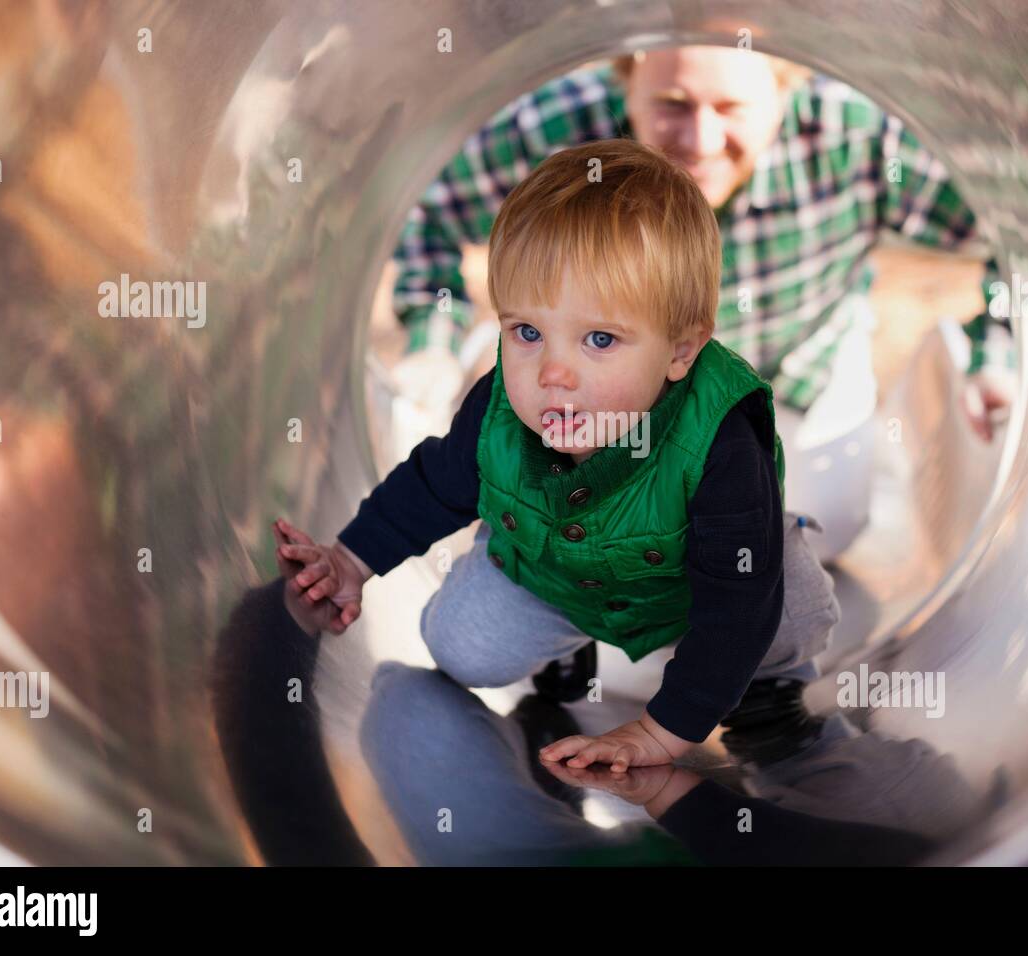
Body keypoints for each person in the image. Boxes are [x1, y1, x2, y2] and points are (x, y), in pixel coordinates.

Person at [275, 138, 842, 770]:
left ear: (681, 351)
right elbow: (434, 483)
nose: (553, 372)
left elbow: (737, 602)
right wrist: (351, 559)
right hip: (554, 569)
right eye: (527, 332)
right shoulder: (500, 405)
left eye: (599, 339)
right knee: (457, 648)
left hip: (703, 583)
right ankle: (566, 646)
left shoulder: (720, 441)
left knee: (789, 605)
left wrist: (663, 732)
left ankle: (766, 693)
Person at [384, 45, 1017, 562]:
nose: (701, 139)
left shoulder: (855, 138)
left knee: (815, 532)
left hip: (791, 367)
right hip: (606, 387)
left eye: (731, 107)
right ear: (627, 81)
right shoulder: (558, 129)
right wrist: (432, 341)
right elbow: (432, 209)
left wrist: (996, 349)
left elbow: (1024, 233)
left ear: (783, 85)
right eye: (672, 104)